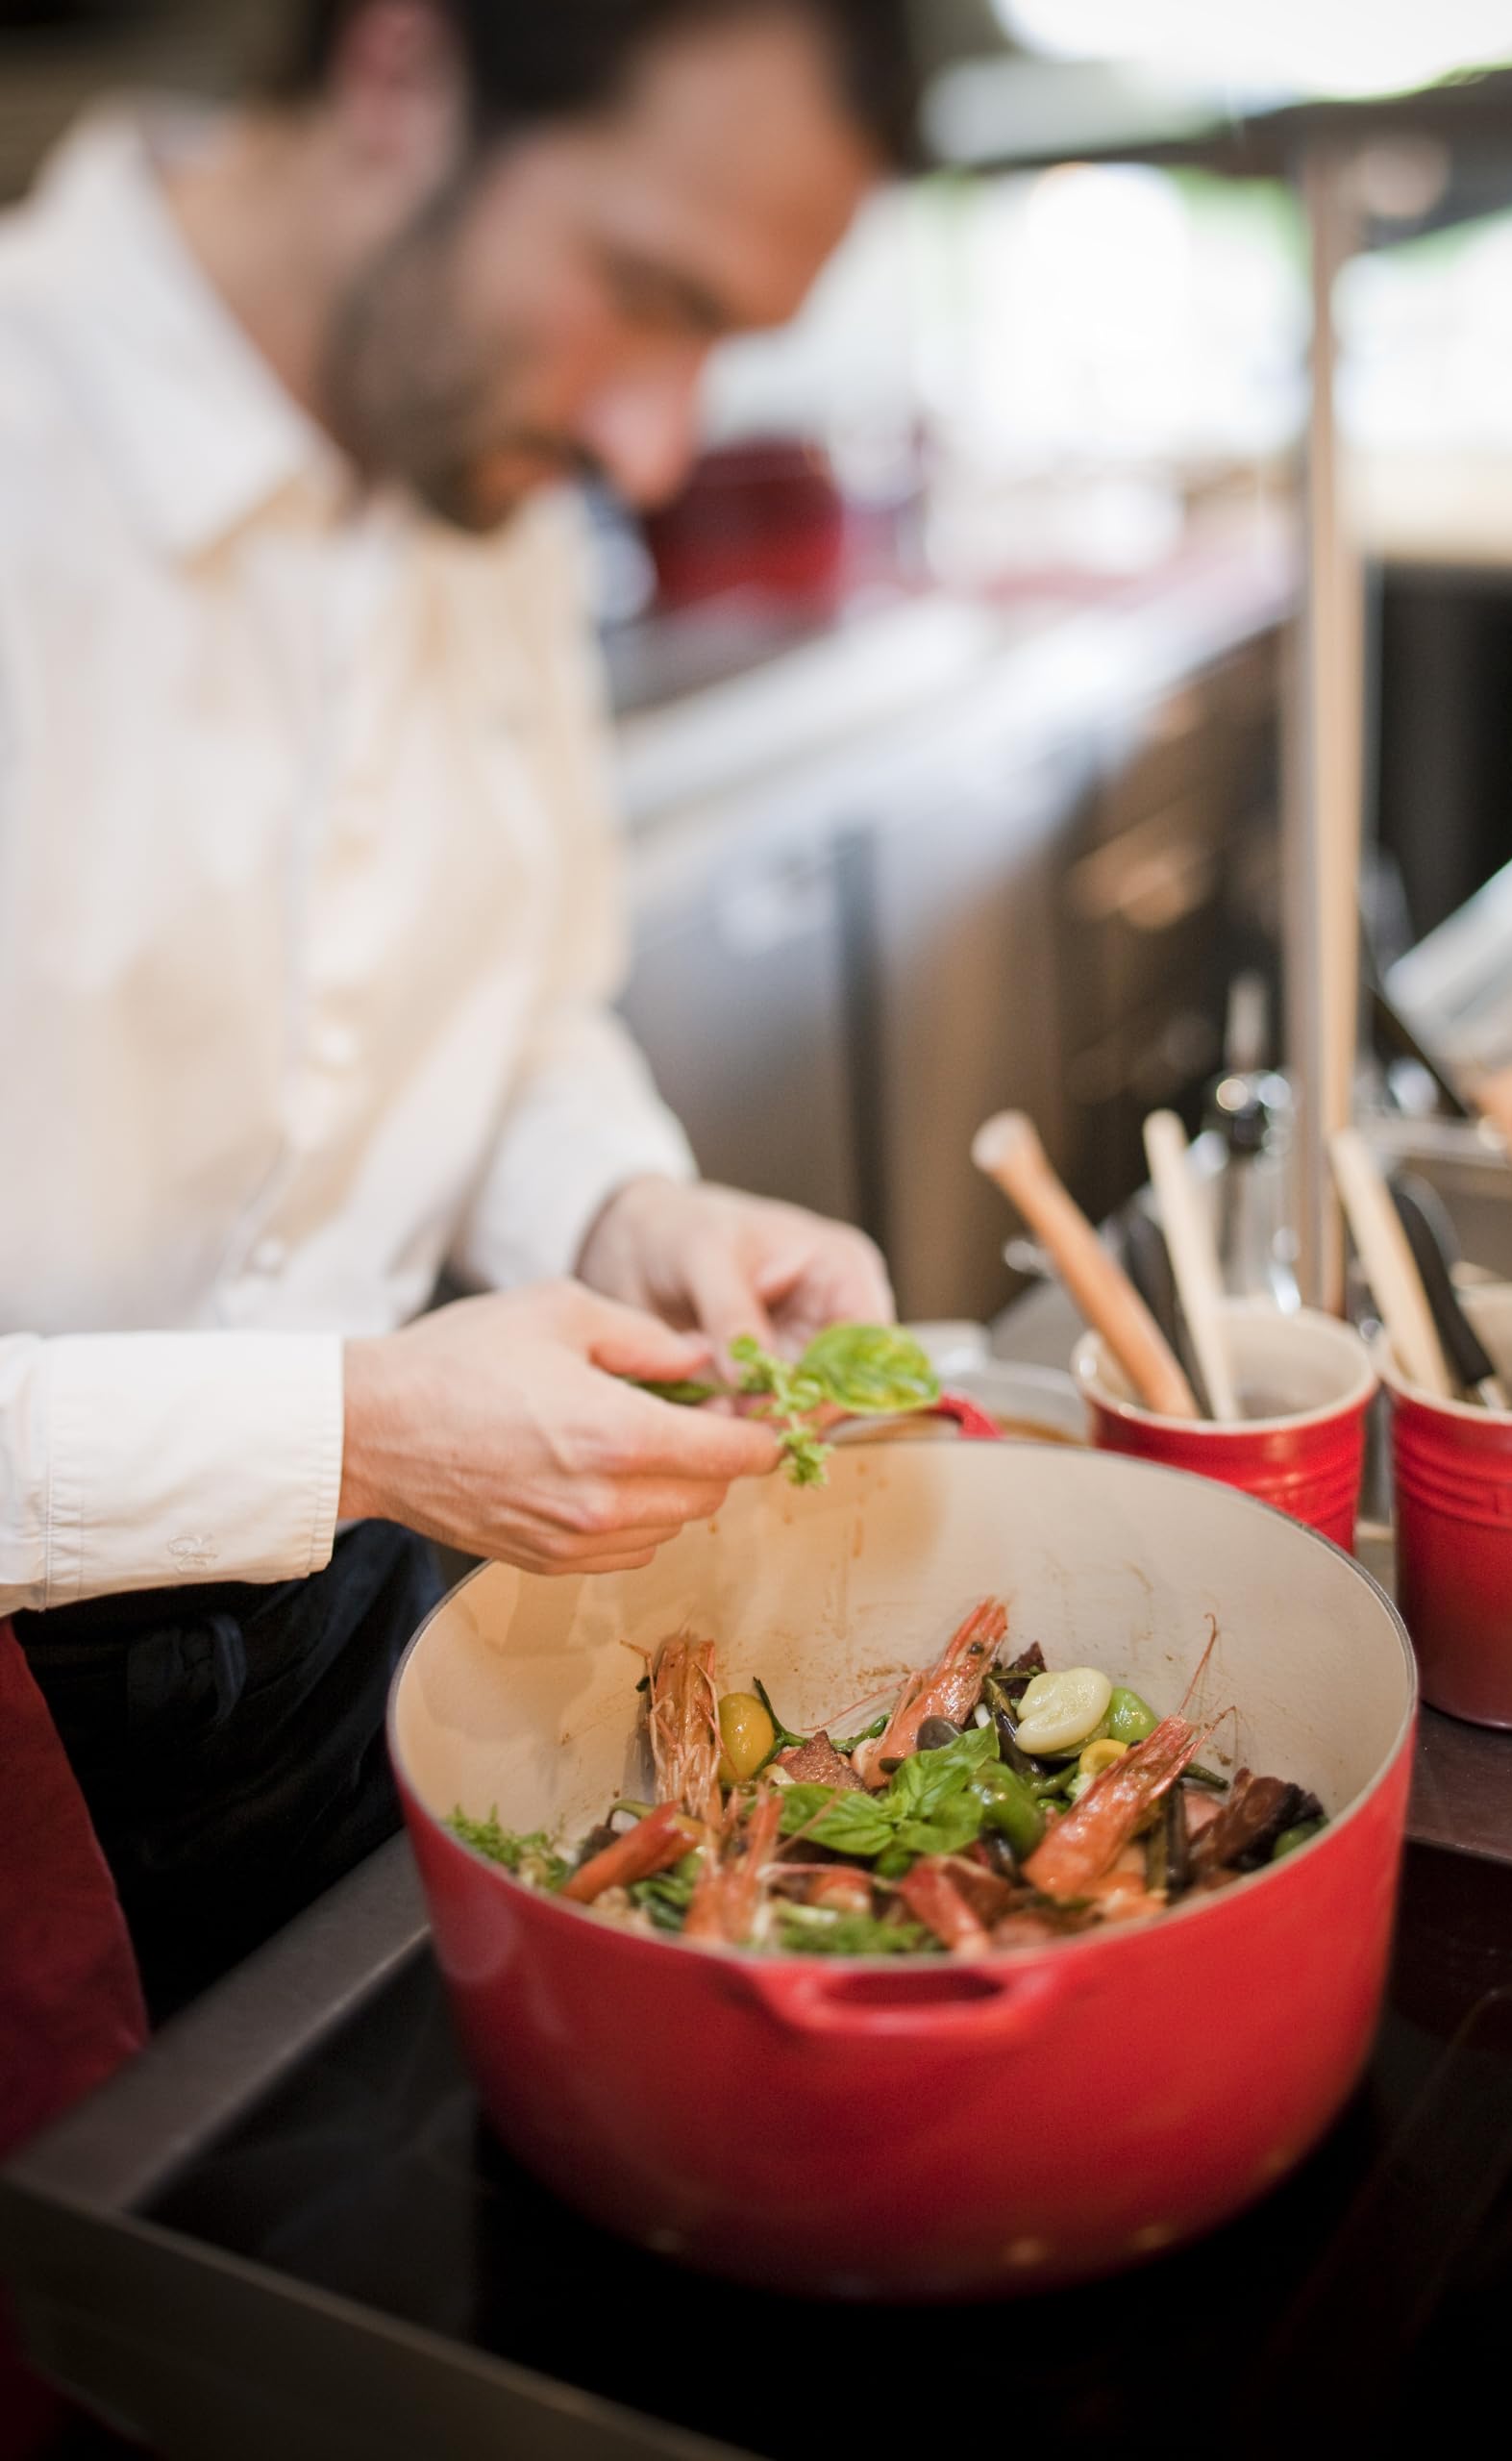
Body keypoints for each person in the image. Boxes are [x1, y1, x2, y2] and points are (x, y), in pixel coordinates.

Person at [0, 0, 918, 2008]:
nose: (653, 445)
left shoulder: (471, 466)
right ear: (400, 73)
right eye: (642, 293)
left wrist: (627, 1209)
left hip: (366, 1658)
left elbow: (512, 1006)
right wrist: (361, 1423)